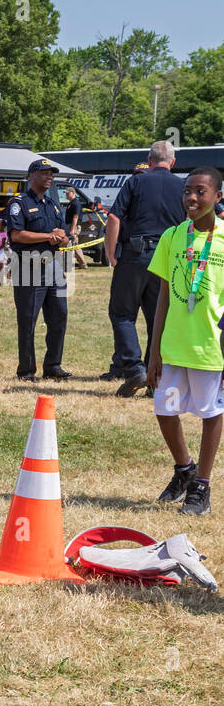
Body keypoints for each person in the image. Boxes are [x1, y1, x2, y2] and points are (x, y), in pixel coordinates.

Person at [146, 167, 224, 516]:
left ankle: (202, 487)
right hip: (174, 346)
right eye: (187, 191)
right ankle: (184, 469)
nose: (192, 198)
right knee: (165, 409)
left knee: (211, 413)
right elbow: (162, 295)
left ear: (217, 197)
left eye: (201, 192)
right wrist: (154, 349)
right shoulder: (173, 236)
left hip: (211, 346)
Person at [103, 141, 186, 396]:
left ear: (149, 161)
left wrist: (110, 253)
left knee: (122, 313)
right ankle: (155, 376)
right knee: (158, 318)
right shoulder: (183, 185)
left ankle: (134, 367)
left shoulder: (136, 182)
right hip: (168, 259)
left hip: (136, 255)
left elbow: (114, 217)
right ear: (172, 163)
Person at [6, 159, 71, 381]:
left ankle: (53, 366)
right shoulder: (20, 203)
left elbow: (64, 236)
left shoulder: (53, 205)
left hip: (54, 266)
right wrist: (48, 237)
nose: (49, 177)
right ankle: (26, 370)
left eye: (51, 173)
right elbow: (17, 235)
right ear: (31, 176)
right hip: (28, 267)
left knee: (59, 317)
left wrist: (62, 238)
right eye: (44, 173)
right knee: (28, 320)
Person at [64, 187, 90, 270]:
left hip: (73, 226)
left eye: (68, 193)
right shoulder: (71, 203)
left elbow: (75, 217)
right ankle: (83, 264)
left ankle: (72, 265)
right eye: (66, 193)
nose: (66, 194)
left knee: (72, 245)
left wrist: (72, 229)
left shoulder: (76, 203)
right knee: (75, 245)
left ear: (73, 193)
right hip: (70, 225)